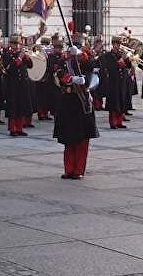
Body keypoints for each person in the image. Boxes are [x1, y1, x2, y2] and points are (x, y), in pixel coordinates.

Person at [54, 43, 99, 179]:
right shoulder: (64, 61)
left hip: (82, 102)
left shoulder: (84, 60)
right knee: (68, 138)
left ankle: (78, 170)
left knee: (81, 139)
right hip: (68, 101)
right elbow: (57, 74)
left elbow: (92, 66)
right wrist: (72, 78)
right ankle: (69, 169)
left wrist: (81, 57)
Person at [2, 34, 34, 136]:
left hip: (22, 84)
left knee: (21, 106)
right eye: (14, 43)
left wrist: (26, 56)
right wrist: (20, 58)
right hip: (12, 84)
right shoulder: (7, 54)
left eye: (18, 43)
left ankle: (19, 128)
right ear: (11, 44)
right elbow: (9, 68)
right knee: (13, 107)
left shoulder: (21, 54)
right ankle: (12, 128)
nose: (16, 45)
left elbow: (30, 65)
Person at [98, 36, 130, 129]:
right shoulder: (108, 55)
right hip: (113, 81)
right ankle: (113, 122)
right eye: (116, 44)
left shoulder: (122, 54)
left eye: (119, 44)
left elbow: (128, 65)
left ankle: (119, 121)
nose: (118, 46)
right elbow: (109, 67)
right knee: (114, 102)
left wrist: (127, 59)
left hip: (122, 81)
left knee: (121, 101)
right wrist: (120, 60)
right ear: (113, 44)